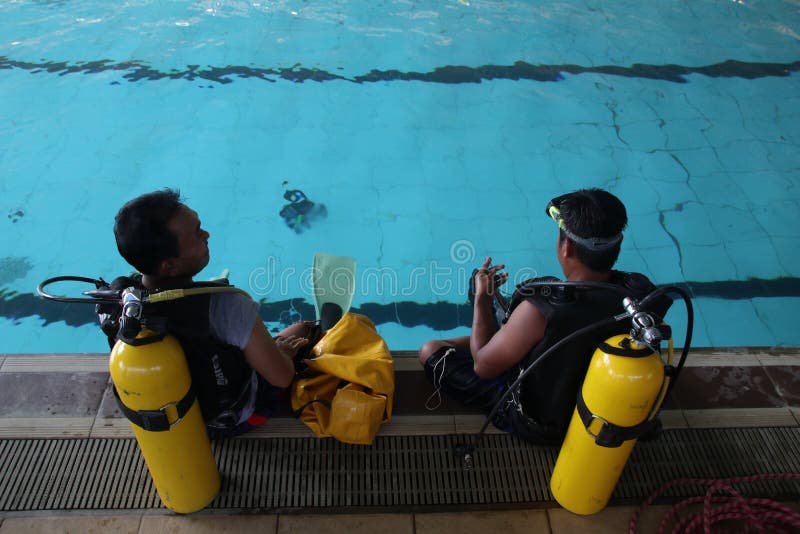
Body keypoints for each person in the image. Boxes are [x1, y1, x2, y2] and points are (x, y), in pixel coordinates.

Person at [419, 188, 671, 446]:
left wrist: (482, 299)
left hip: (542, 425)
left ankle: (498, 327)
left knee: (432, 350)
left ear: (567, 248)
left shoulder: (541, 309)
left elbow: (482, 366)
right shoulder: (640, 296)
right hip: (601, 418)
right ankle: (506, 335)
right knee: (510, 332)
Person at [109, 188, 315, 438]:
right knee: (306, 330)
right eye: (196, 233)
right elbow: (281, 378)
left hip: (172, 421)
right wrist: (282, 354)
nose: (207, 234)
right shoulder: (227, 308)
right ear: (169, 266)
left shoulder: (123, 304)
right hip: (230, 419)